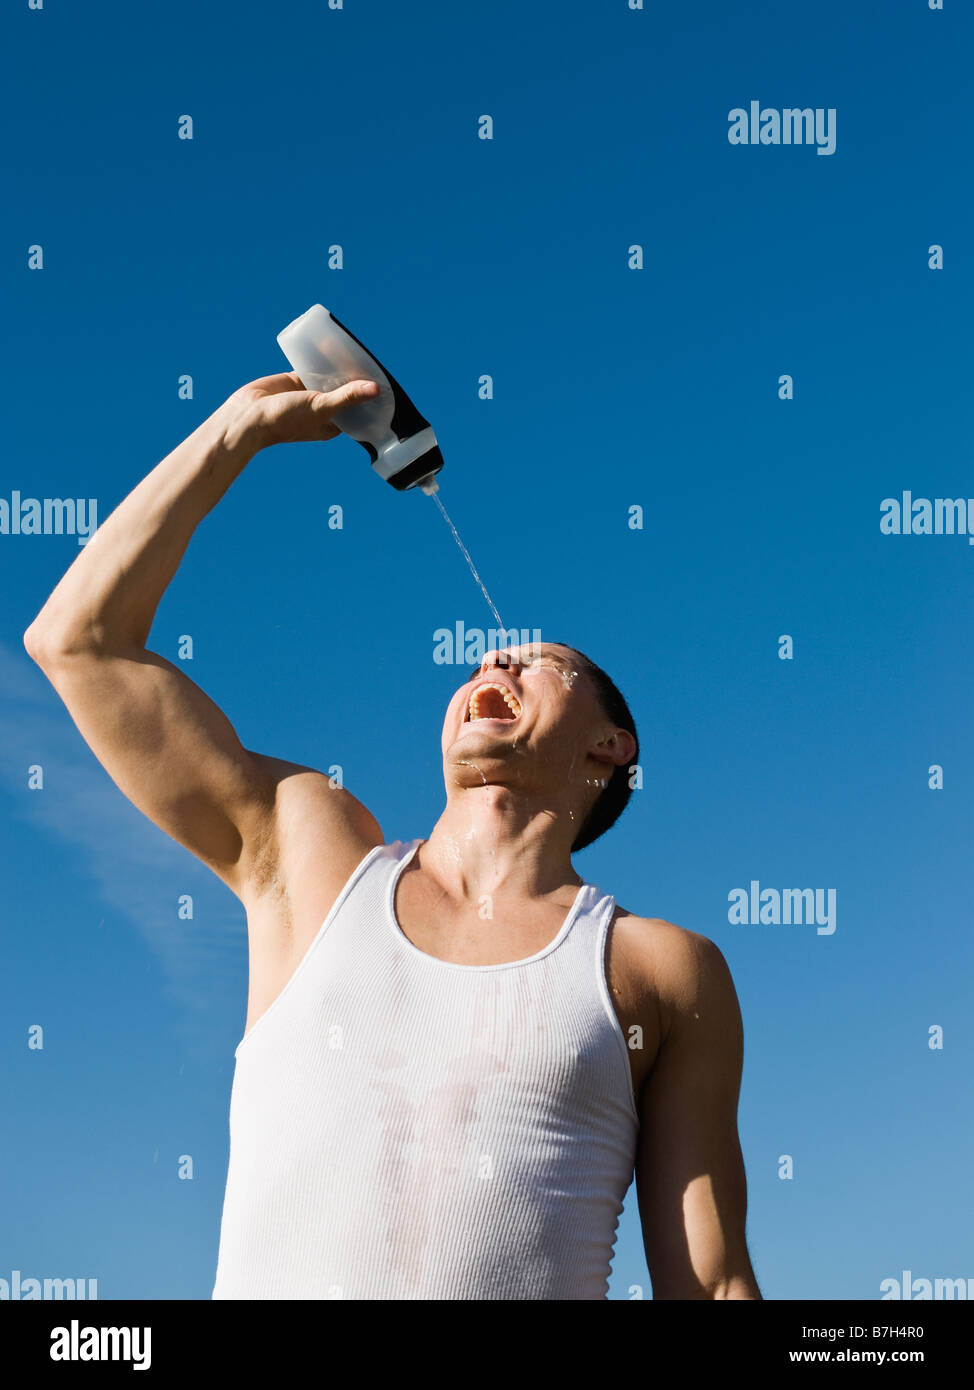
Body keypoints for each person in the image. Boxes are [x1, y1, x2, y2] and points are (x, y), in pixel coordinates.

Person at [24, 370, 762, 1301]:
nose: (499, 657)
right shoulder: (314, 857)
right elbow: (78, 642)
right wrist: (232, 438)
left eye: (543, 662)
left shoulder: (658, 970)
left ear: (612, 747)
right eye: (496, 653)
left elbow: (715, 1286)